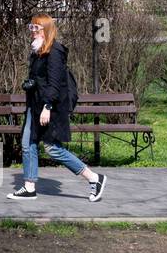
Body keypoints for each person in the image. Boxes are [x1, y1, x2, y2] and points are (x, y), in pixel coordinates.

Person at [7, 13, 107, 202]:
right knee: (28, 144)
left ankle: (94, 178)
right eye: (31, 27)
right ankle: (29, 187)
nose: (32, 31)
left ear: (46, 30)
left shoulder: (54, 51)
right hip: (34, 105)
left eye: (36, 28)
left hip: (49, 107)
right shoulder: (37, 50)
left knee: (53, 148)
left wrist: (47, 106)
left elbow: (54, 83)